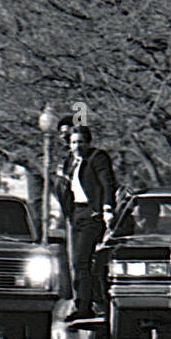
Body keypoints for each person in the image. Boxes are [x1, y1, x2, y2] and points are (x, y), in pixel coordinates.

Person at [56, 126, 117, 323]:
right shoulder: (70, 161)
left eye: (81, 142)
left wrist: (106, 208)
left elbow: (107, 183)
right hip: (76, 212)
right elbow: (64, 187)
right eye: (73, 142)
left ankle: (85, 306)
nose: (77, 146)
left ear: (88, 142)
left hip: (92, 213)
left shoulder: (97, 158)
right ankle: (84, 302)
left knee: (81, 260)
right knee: (77, 261)